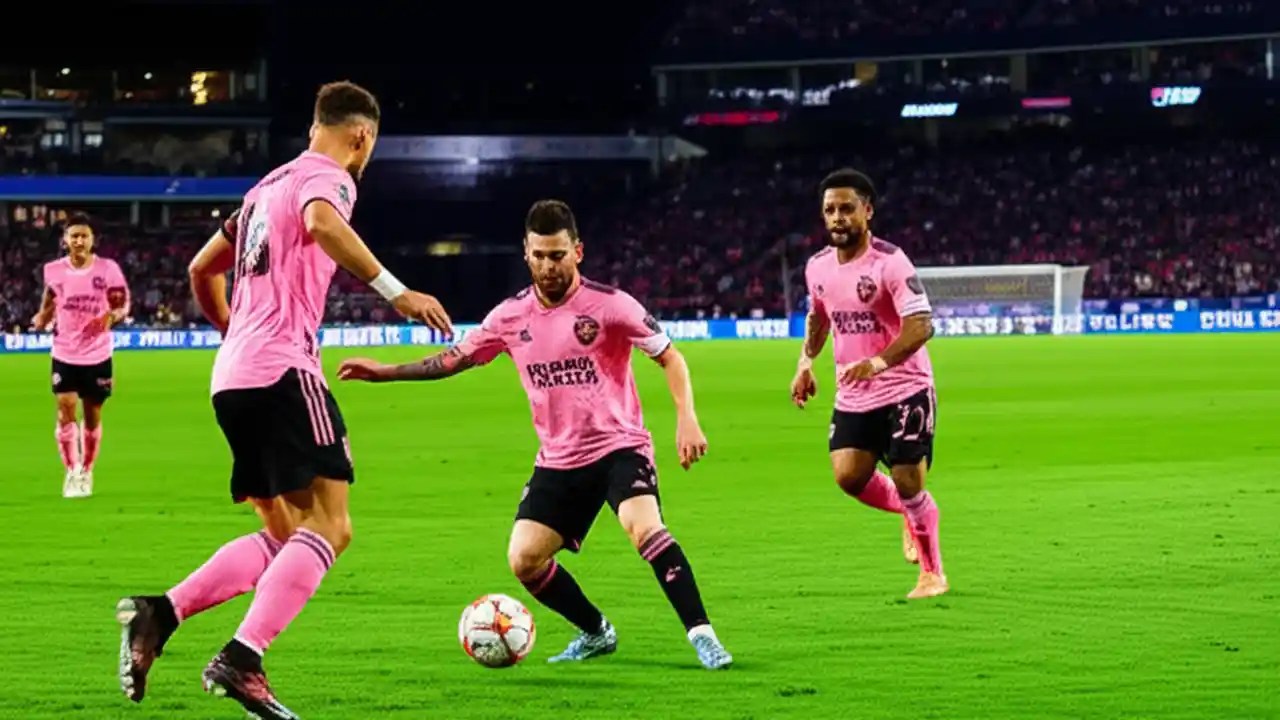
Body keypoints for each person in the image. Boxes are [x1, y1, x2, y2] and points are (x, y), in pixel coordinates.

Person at [115, 80, 454, 720]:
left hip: (232, 378)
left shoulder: (263, 188)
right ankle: (243, 661)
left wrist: (234, 335)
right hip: (282, 372)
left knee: (285, 535)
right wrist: (396, 291)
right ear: (362, 137)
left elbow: (199, 270)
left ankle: (160, 612)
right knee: (332, 525)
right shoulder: (332, 179)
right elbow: (323, 223)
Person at [338, 199, 734, 670]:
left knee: (644, 527)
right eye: (540, 255)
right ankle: (596, 632)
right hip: (558, 458)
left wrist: (686, 417)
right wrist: (386, 373)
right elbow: (452, 360)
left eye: (558, 255)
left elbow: (670, 356)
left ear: (578, 252)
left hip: (619, 447)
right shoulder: (509, 317)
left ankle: (703, 636)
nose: (549, 266)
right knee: (524, 560)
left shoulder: (610, 305)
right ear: (526, 253)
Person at [791, 168, 949, 600]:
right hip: (854, 391)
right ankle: (909, 512)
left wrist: (877, 363)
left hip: (904, 386)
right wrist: (805, 363)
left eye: (847, 208)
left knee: (908, 479)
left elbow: (922, 325)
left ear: (868, 211)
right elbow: (819, 316)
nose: (838, 217)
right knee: (847, 476)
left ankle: (932, 573)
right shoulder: (818, 267)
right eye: (830, 210)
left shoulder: (890, 262)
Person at [31, 213, 130, 498]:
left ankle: (87, 468)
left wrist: (110, 318)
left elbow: (120, 305)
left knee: (92, 415)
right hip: (64, 350)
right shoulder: (53, 270)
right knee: (65, 407)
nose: (79, 241)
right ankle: (72, 470)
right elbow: (51, 298)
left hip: (97, 353)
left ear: (92, 240)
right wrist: (43, 316)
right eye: (73, 236)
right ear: (65, 241)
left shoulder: (107, 270)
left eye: (84, 236)